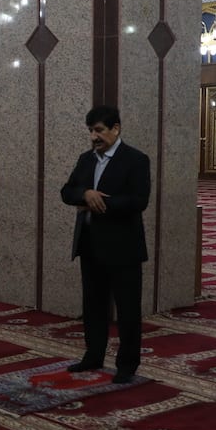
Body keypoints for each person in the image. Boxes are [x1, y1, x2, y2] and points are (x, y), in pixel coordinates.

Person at [60, 105, 151, 384]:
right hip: (90, 245)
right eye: (90, 131)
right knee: (93, 306)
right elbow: (67, 191)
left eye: (99, 130)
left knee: (127, 309)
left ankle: (127, 364)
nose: (94, 137)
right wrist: (85, 193)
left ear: (115, 129)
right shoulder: (86, 159)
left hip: (123, 247)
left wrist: (99, 203)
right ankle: (93, 355)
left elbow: (139, 200)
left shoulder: (135, 160)